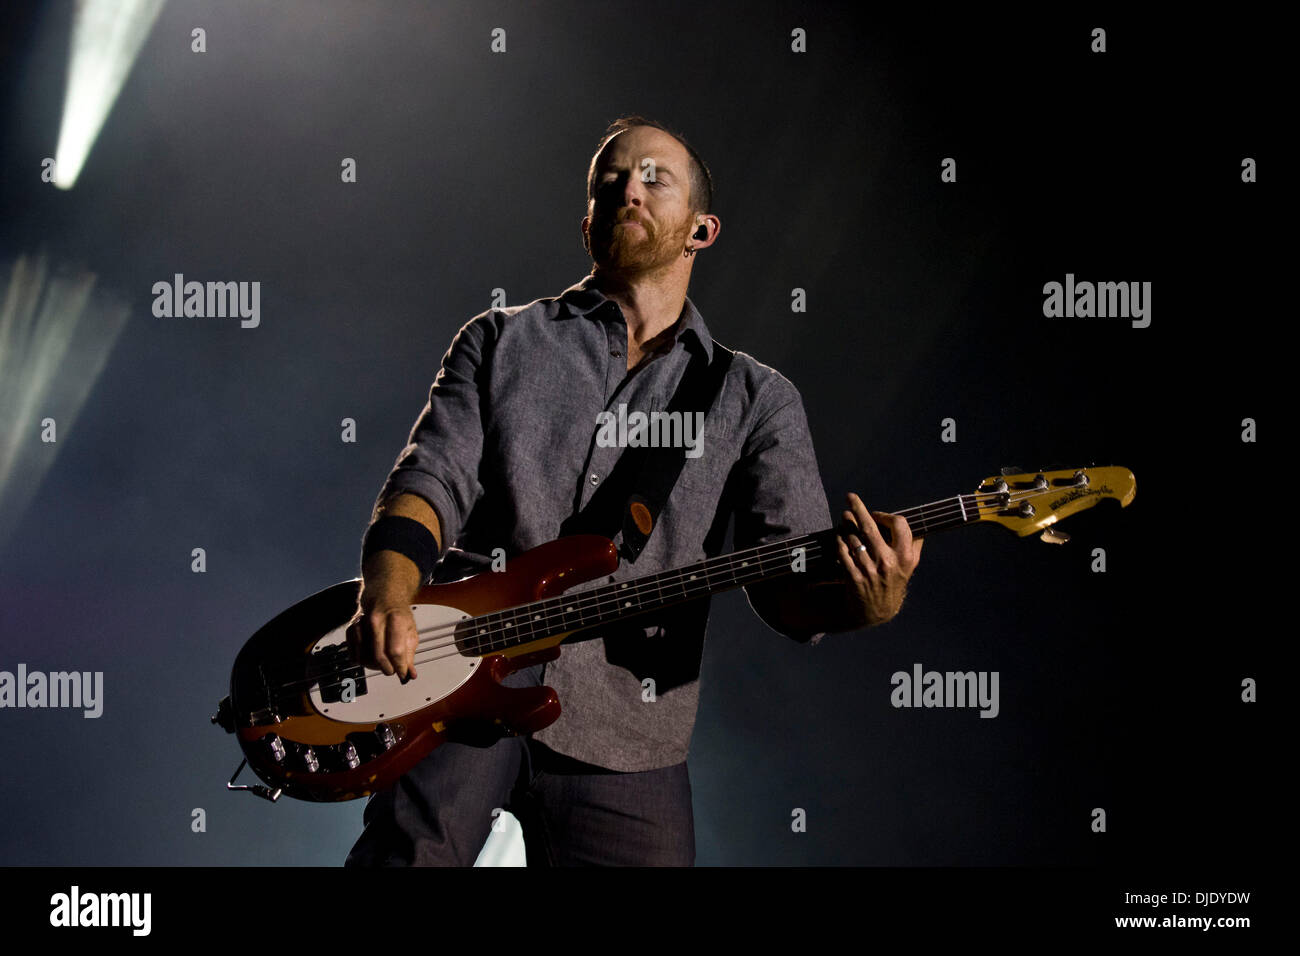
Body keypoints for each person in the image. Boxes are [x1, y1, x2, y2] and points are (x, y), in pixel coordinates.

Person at [343, 115, 923, 866]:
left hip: (629, 734)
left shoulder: (755, 399)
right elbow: (430, 478)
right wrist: (386, 590)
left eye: (655, 176)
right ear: (587, 225)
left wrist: (863, 604)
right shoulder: (498, 339)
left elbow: (786, 585)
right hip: (457, 684)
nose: (629, 187)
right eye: (611, 179)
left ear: (701, 230)